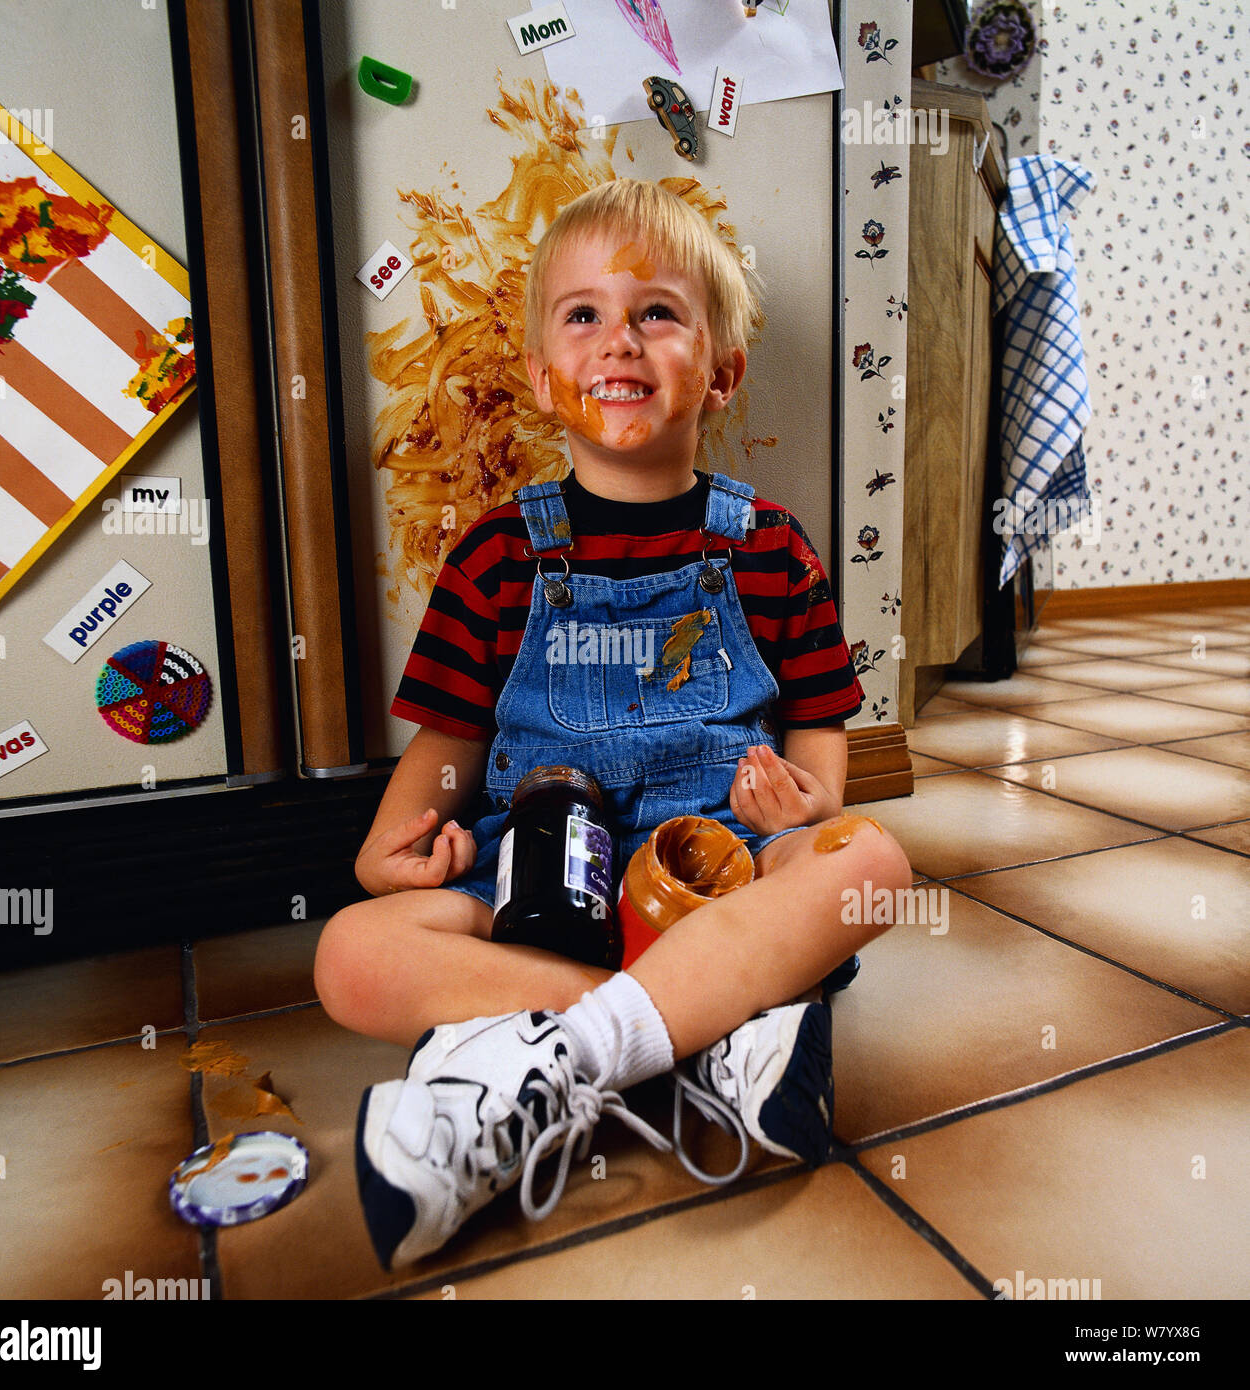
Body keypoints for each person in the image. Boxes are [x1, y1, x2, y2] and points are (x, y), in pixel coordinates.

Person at [314, 179, 912, 1271]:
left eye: (657, 312)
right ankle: (711, 1022)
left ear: (719, 371)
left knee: (868, 861)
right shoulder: (496, 558)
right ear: (545, 379)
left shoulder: (769, 547)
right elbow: (446, 751)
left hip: (722, 864)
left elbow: (825, 750)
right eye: (582, 314)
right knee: (351, 954)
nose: (617, 339)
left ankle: (549, 1056)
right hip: (540, 880)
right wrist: (389, 845)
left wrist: (807, 801)